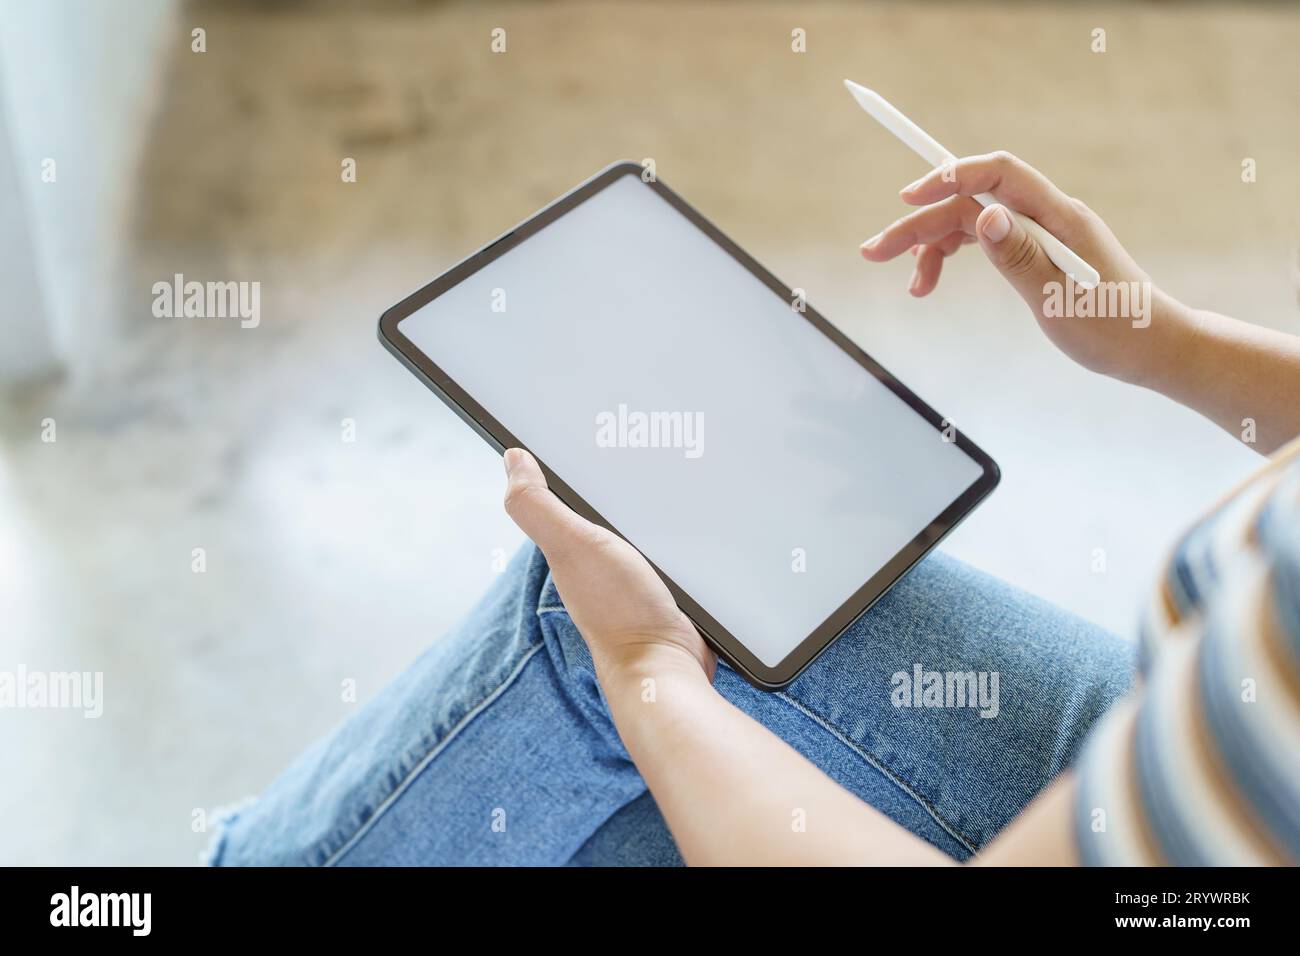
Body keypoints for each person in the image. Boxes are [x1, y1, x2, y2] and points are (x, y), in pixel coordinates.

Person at [206, 152, 1300, 866]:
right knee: (681, 693)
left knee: (619, 622)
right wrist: (1166, 342)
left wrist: (647, 673)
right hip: (1218, 719)